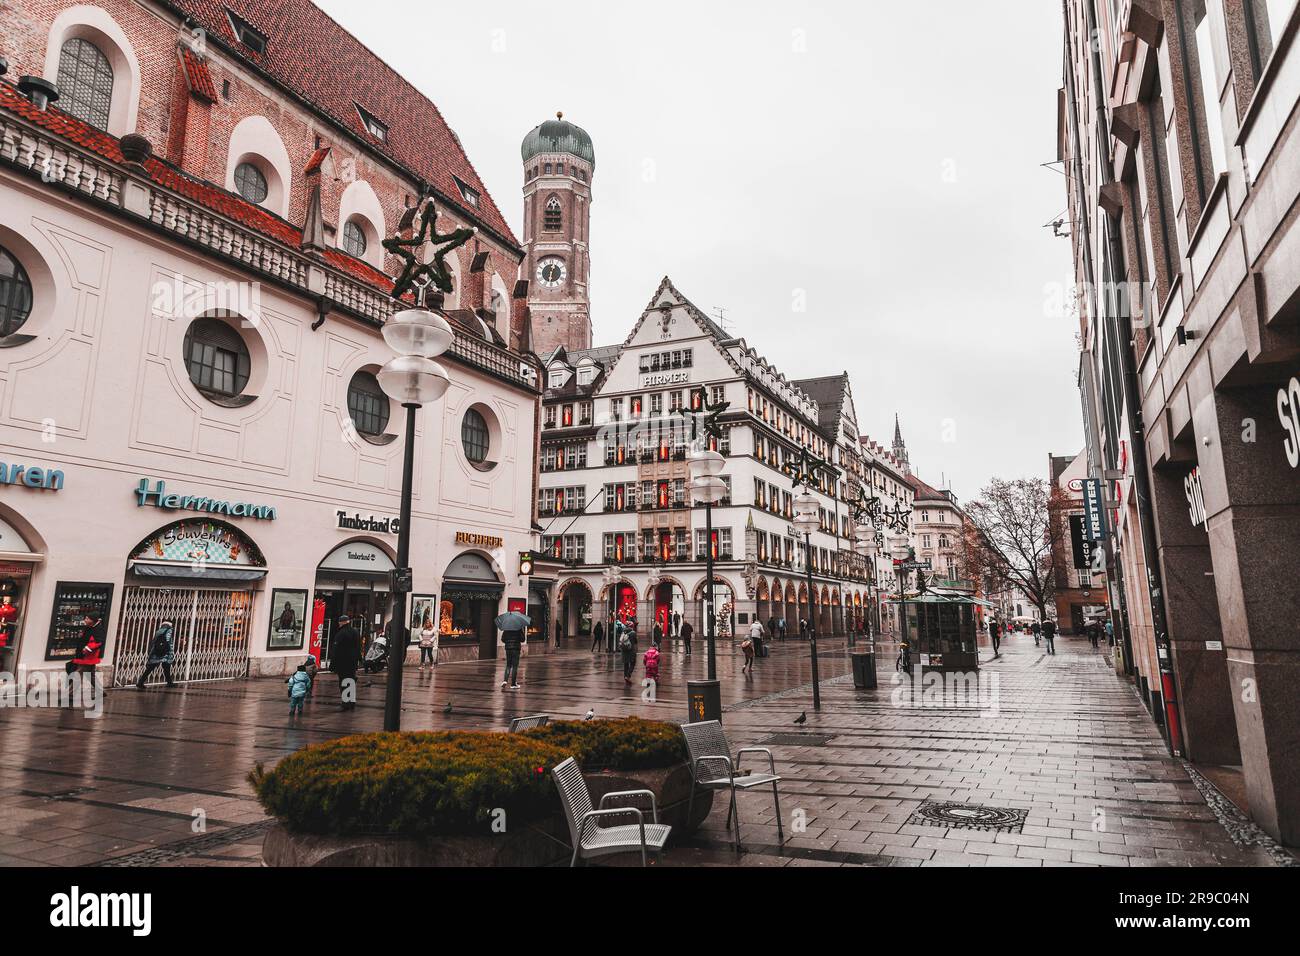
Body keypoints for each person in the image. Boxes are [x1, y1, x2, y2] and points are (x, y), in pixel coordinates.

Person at [330, 615, 361, 710]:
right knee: (351, 681)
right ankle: (351, 702)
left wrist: (332, 663)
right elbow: (358, 647)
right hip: (352, 662)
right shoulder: (355, 632)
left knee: (343, 682)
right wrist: (359, 659)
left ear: (342, 622)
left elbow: (336, 649)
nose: (338, 623)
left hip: (342, 662)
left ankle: (345, 703)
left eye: (339, 622)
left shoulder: (341, 633)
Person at [136, 621, 177, 688]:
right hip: (165, 652)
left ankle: (141, 682)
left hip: (157, 651)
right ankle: (169, 683)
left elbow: (154, 641)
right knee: (166, 667)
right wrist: (169, 651)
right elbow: (167, 640)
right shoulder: (169, 630)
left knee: (151, 668)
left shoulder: (159, 631)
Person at [67, 615, 104, 682]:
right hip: (83, 654)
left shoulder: (98, 629)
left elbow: (97, 642)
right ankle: (100, 691)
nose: (85, 620)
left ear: (92, 620)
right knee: (91, 677)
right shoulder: (89, 627)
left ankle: (69, 692)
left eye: (87, 618)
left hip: (88, 656)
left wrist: (86, 649)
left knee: (76, 676)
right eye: (85, 618)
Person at [501, 617, 525, 690]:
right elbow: (523, 639)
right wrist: (522, 631)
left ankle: (505, 680)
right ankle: (513, 684)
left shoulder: (506, 628)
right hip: (516, 649)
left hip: (508, 648)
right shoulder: (519, 628)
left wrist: (508, 642)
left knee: (508, 665)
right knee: (515, 666)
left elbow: (503, 639)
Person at [619, 619, 638, 684]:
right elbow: (635, 642)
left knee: (626, 664)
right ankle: (628, 676)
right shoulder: (633, 633)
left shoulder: (623, 632)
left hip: (624, 650)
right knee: (633, 663)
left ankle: (625, 677)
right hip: (631, 650)